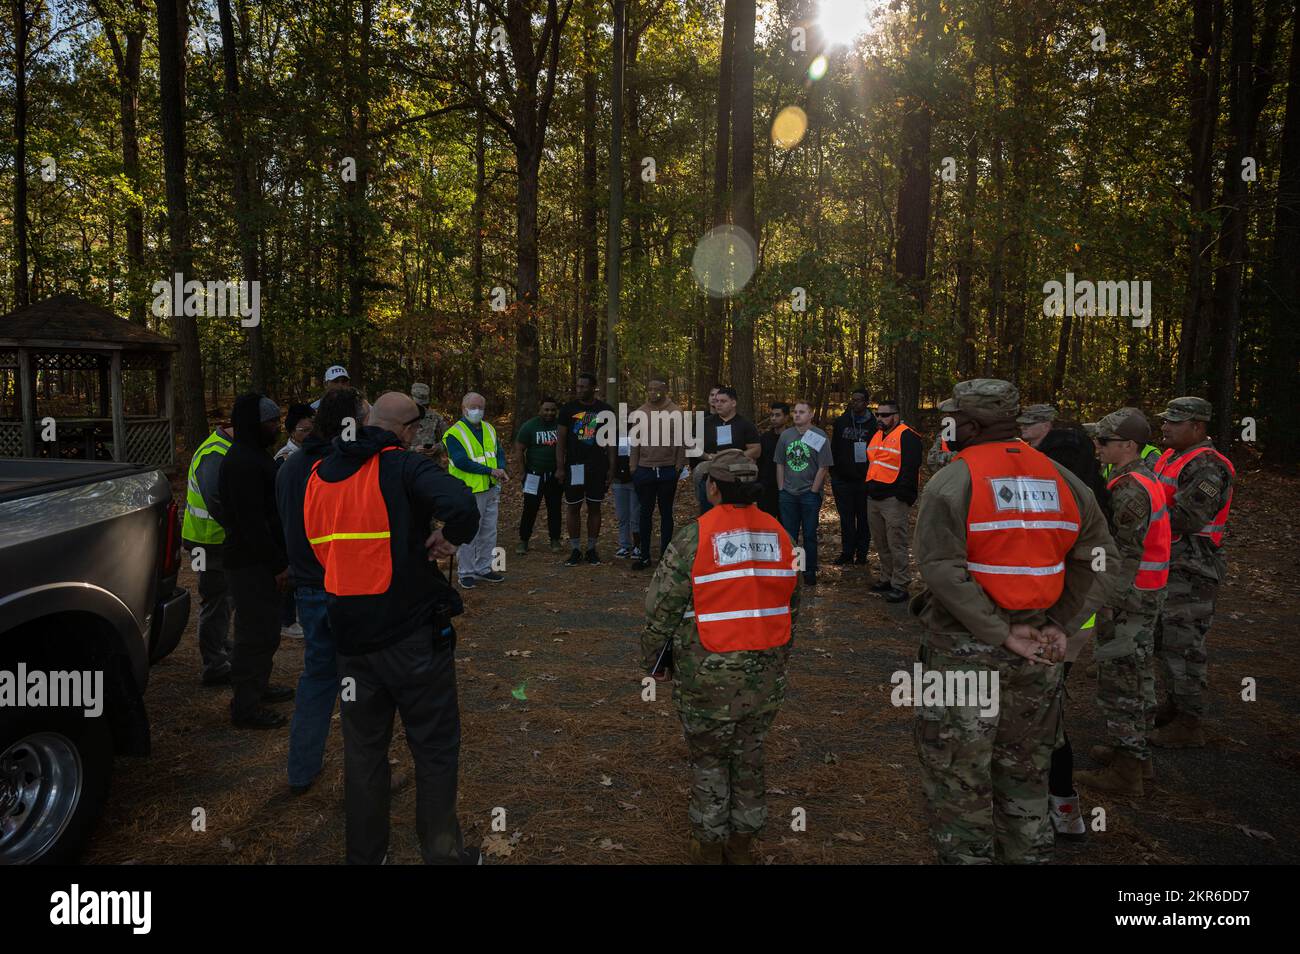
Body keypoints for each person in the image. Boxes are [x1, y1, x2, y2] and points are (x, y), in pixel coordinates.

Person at [911, 379, 1118, 865]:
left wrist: (1000, 630)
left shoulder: (954, 481)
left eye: (952, 418)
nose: (945, 426)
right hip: (1039, 653)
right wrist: (1062, 624)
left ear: (973, 423)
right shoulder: (1064, 480)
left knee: (959, 777)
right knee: (1026, 772)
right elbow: (1103, 559)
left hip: (966, 654)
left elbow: (941, 568)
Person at [303, 391, 481, 864]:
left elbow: (314, 549)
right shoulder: (403, 466)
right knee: (435, 749)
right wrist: (446, 537)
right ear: (403, 431)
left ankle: (366, 857)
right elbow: (463, 505)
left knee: (363, 753)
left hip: (349, 638)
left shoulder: (318, 475)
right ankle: (443, 857)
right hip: (411, 639)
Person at [640, 448, 800, 864]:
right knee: (749, 753)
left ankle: (709, 845)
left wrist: (653, 661)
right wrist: (781, 654)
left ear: (713, 487)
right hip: (765, 671)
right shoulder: (780, 534)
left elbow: (661, 608)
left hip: (708, 670)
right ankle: (743, 843)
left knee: (710, 759)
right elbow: (792, 602)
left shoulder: (695, 536)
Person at [1075, 408, 1171, 795]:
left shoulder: (1130, 487)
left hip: (1130, 597)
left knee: (1121, 679)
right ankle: (1134, 755)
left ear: (1129, 445)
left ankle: (1127, 771)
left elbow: (1125, 552)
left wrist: (1108, 598)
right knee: (1138, 672)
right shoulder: (1135, 478)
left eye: (1104, 441)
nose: (1097, 447)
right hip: (1143, 592)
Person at [276, 387, 365, 794]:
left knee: (318, 678)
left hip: (310, 589)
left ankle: (301, 769)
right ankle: (362, 776)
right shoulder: (339, 467)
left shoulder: (290, 468)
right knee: (361, 682)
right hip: (344, 589)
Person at [1148, 396, 1235, 748]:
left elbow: (1188, 517)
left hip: (1193, 566)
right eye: (1166, 420)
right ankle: (1175, 705)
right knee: (1165, 638)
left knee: (1184, 643)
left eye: (1174, 422)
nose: (1165, 427)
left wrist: (1140, 519)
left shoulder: (1208, 467)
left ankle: (1190, 721)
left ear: (1197, 427)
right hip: (1169, 563)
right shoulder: (1171, 457)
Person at [218, 394, 294, 730]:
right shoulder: (242, 463)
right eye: (270, 422)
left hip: (260, 561)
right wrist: (276, 564)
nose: (275, 428)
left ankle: (258, 688)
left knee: (266, 632)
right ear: (253, 424)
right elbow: (251, 524)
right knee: (253, 634)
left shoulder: (255, 456)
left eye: (277, 421)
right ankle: (245, 707)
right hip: (250, 564)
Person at [182, 418, 236, 686]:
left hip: (214, 540)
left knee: (223, 599)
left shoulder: (225, 448)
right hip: (207, 541)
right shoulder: (214, 453)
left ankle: (220, 646)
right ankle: (214, 664)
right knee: (215, 600)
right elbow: (216, 501)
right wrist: (240, 530)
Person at [443, 392, 507, 589]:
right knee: (470, 531)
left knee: (488, 531)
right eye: (473, 407)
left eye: (481, 407)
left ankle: (484, 568)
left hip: (490, 487)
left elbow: (499, 452)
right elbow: (461, 462)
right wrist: (491, 470)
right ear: (463, 408)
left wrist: (501, 468)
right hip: (468, 490)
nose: (477, 411)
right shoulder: (454, 433)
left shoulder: (489, 428)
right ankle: (466, 572)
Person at [865, 399, 922, 603]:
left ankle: (900, 584)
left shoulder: (907, 436)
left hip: (893, 500)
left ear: (896, 416)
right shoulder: (878, 434)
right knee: (881, 542)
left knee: (896, 542)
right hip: (874, 497)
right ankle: (886, 578)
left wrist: (902, 496)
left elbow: (910, 468)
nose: (880, 418)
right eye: (877, 414)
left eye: (885, 415)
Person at [556, 372, 616, 566]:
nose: (579, 389)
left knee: (594, 507)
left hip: (597, 467)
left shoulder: (605, 410)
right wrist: (560, 467)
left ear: (593, 388)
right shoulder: (567, 410)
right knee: (573, 506)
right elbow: (561, 441)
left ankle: (591, 549)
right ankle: (575, 549)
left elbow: (611, 442)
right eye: (578, 386)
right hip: (574, 466)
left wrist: (611, 468)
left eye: (583, 386)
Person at [630, 378, 688, 570]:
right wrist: (633, 467)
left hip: (667, 469)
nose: (652, 392)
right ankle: (644, 555)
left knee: (666, 513)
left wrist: (679, 466)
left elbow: (681, 441)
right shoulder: (640, 412)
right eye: (650, 389)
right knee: (645, 513)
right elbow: (635, 442)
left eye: (657, 389)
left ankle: (664, 555)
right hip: (644, 469)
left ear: (665, 390)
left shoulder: (676, 412)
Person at [775, 400, 832, 586]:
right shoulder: (786, 436)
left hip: (809, 494)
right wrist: (781, 487)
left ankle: (809, 572)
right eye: (795, 412)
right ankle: (793, 570)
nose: (797, 415)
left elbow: (823, 466)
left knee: (809, 535)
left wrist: (814, 490)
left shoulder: (819, 436)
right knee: (790, 535)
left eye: (801, 412)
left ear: (811, 415)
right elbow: (780, 463)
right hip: (788, 494)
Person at [276, 403, 315, 640]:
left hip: (306, 519)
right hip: (289, 519)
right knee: (290, 570)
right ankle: (286, 619)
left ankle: (296, 614)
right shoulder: (285, 457)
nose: (308, 434)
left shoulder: (308, 455)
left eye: (312, 429)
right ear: (292, 432)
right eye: (303, 430)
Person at [829, 388, 877, 565]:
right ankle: (847, 552)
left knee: (864, 519)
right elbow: (834, 448)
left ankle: (862, 554)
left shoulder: (874, 424)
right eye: (853, 399)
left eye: (858, 400)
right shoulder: (842, 421)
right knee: (846, 519)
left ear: (866, 403)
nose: (854, 402)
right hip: (843, 479)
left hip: (865, 480)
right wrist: (834, 473)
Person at [697, 386, 761, 514]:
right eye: (716, 401)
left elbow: (756, 450)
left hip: (737, 472)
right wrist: (708, 457)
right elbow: (693, 447)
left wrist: (731, 457)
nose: (718, 404)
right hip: (711, 469)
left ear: (733, 403)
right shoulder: (704, 423)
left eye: (723, 401)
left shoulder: (745, 424)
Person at [513, 397, 562, 555]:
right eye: (546, 409)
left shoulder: (560, 425)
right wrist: (522, 472)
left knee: (554, 508)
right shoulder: (530, 426)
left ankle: (555, 540)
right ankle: (523, 540)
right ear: (540, 410)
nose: (549, 413)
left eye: (553, 410)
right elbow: (519, 449)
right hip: (533, 475)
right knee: (530, 508)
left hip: (554, 475)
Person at [758, 402, 791, 520]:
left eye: (777, 415)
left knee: (786, 526)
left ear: (786, 417)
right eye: (772, 415)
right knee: (766, 526)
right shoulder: (764, 438)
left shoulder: (793, 437)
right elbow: (759, 462)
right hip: (766, 489)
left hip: (787, 489)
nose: (773, 418)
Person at [612, 438, 642, 559]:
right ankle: (625, 545)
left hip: (636, 479)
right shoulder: (616, 433)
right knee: (622, 515)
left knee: (636, 515)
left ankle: (638, 545)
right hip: (619, 479)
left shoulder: (641, 432)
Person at [410, 383, 446, 463]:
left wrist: (437, 447)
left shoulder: (436, 417)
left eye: (423, 405)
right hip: (408, 464)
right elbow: (393, 444)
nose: (421, 407)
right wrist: (413, 449)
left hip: (431, 466)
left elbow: (449, 440)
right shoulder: (402, 416)